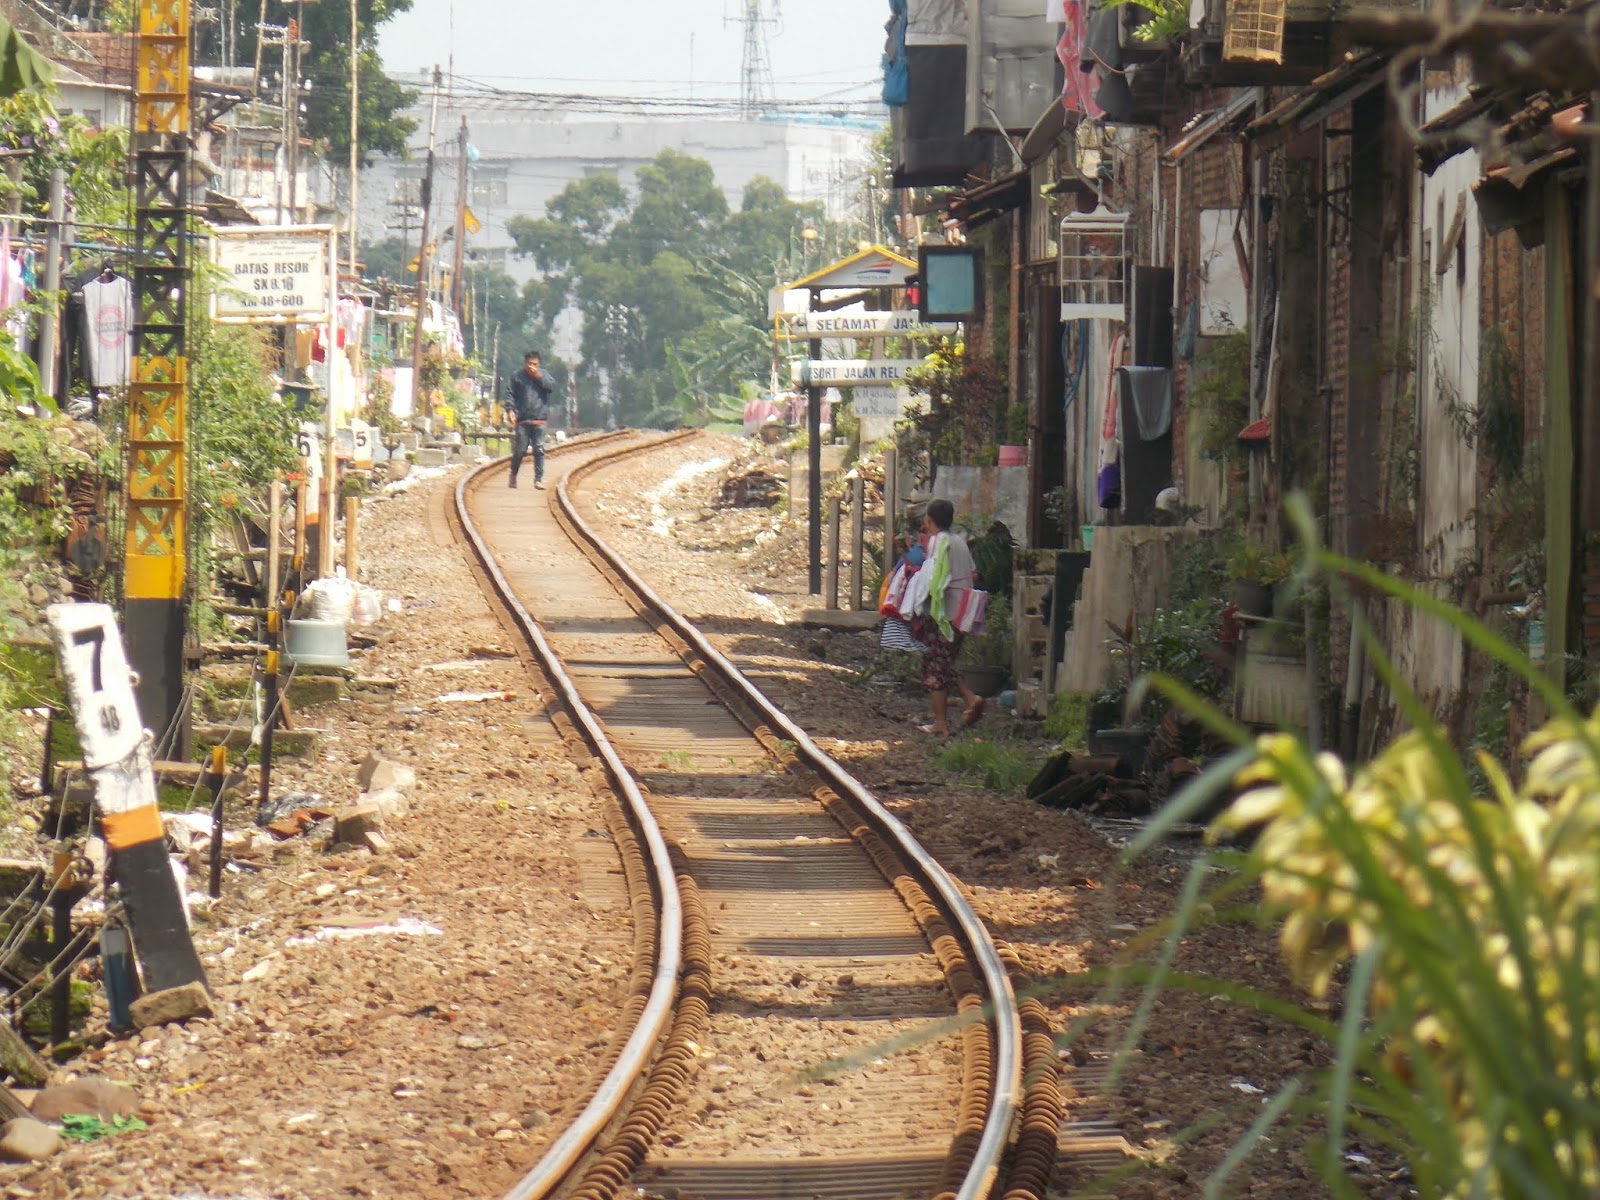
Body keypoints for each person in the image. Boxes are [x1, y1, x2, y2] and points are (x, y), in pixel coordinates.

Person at [904, 498, 987, 736]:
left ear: (929, 520)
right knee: (945, 662)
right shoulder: (959, 541)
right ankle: (970, 700)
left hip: (944, 614)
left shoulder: (938, 541)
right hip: (962, 614)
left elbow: (932, 577)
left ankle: (942, 722)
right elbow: (973, 573)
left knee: (935, 667)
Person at [506, 350, 554, 489]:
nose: (531, 366)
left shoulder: (543, 375)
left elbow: (551, 387)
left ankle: (538, 479)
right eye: (529, 363)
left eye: (535, 364)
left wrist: (538, 376)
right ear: (525, 363)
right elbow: (509, 394)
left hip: (540, 419)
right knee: (520, 450)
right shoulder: (517, 377)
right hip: (522, 420)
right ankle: (513, 475)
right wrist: (510, 409)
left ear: (539, 364)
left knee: (539, 449)